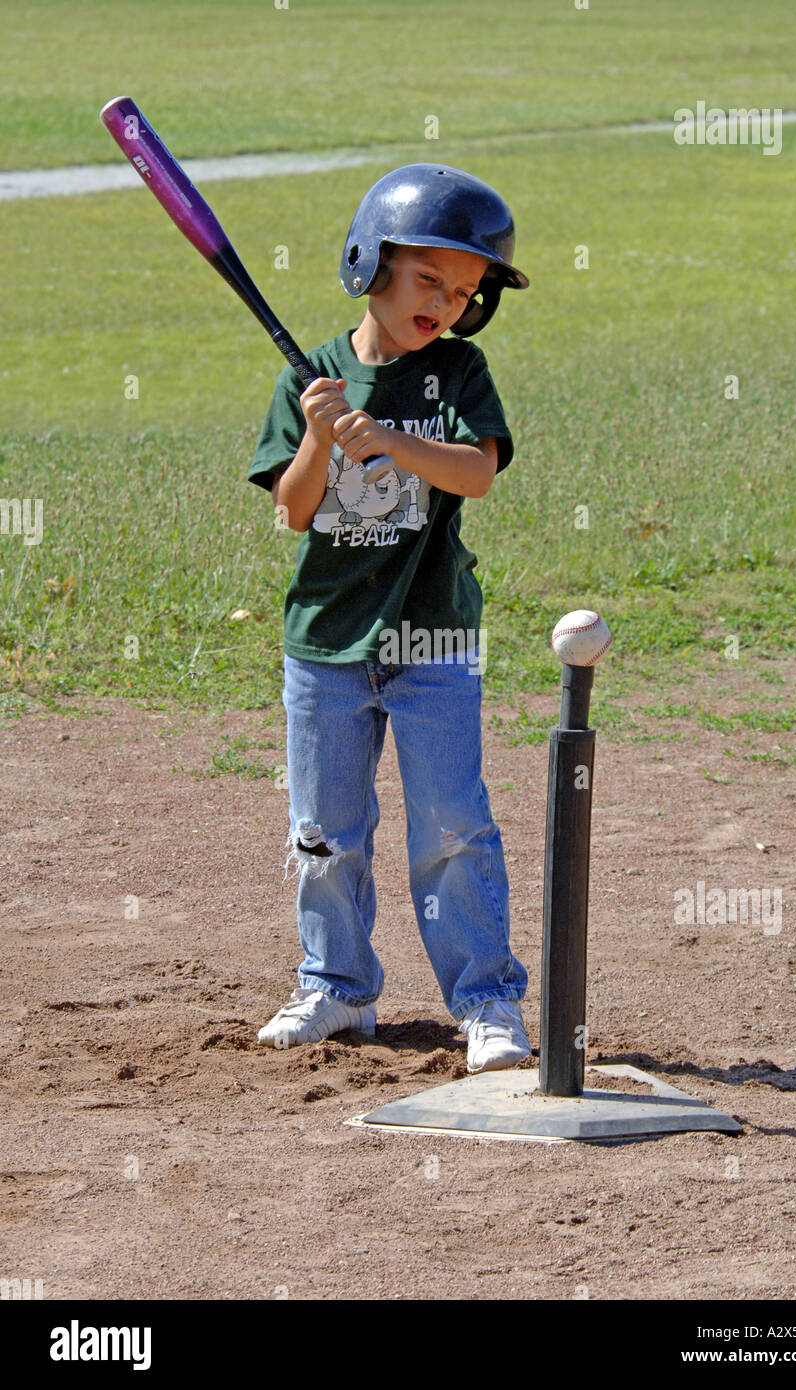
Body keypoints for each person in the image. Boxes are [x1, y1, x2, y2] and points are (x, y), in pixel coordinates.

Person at [247, 163, 531, 1073]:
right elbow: (294, 509)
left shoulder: (459, 372)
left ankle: (487, 1003)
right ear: (372, 262)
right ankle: (336, 988)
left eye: (462, 291)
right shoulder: (314, 379)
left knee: (452, 825)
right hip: (325, 641)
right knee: (324, 829)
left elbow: (477, 471)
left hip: (433, 637)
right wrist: (326, 435)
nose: (443, 304)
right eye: (427, 281)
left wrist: (393, 440)